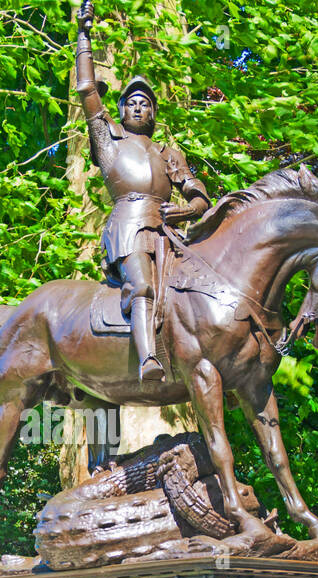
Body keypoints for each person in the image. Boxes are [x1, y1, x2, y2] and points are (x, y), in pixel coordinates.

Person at [74, 0, 211, 382]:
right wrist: (83, 35)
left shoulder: (170, 153)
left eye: (145, 104)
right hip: (130, 229)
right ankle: (148, 359)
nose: (139, 108)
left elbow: (200, 197)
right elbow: (87, 89)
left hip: (169, 232)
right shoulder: (110, 144)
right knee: (143, 285)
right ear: (120, 111)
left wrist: (187, 210)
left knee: (203, 290)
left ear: (153, 113)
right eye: (131, 103)